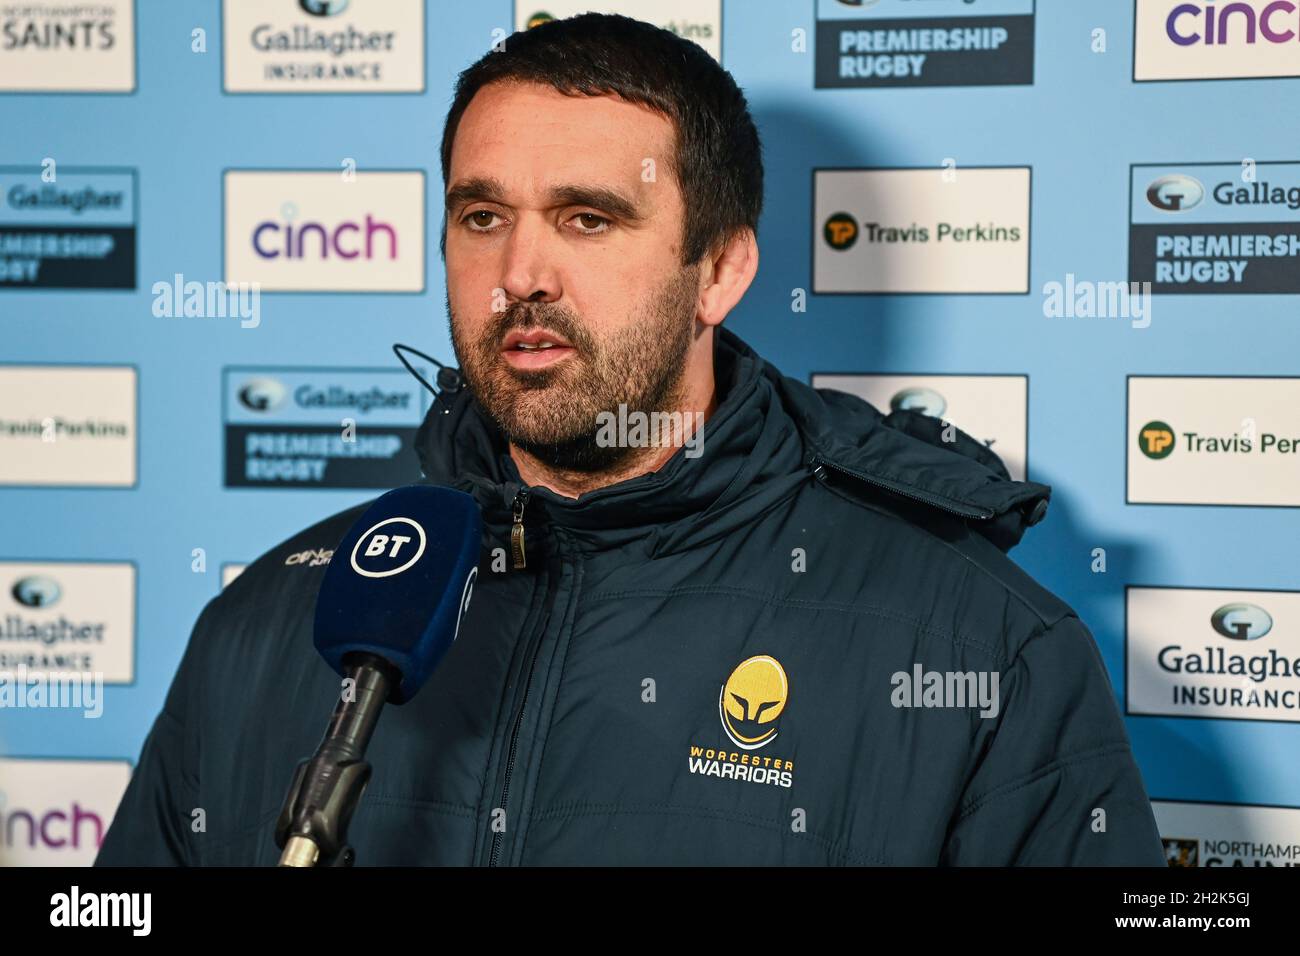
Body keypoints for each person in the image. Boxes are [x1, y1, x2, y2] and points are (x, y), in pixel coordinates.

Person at [97, 13, 1164, 866]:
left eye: (587, 218)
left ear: (721, 271)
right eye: (481, 216)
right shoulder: (277, 613)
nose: (521, 272)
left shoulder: (977, 645)